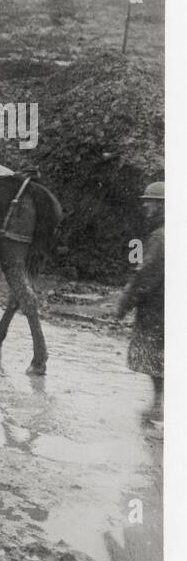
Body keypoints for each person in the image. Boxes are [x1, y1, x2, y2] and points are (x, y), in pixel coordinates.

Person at [116, 181, 165, 425]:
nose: (146, 205)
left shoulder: (160, 236)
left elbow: (146, 274)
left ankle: (159, 406)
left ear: (162, 206)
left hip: (158, 309)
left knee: (153, 356)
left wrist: (125, 303)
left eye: (151, 201)